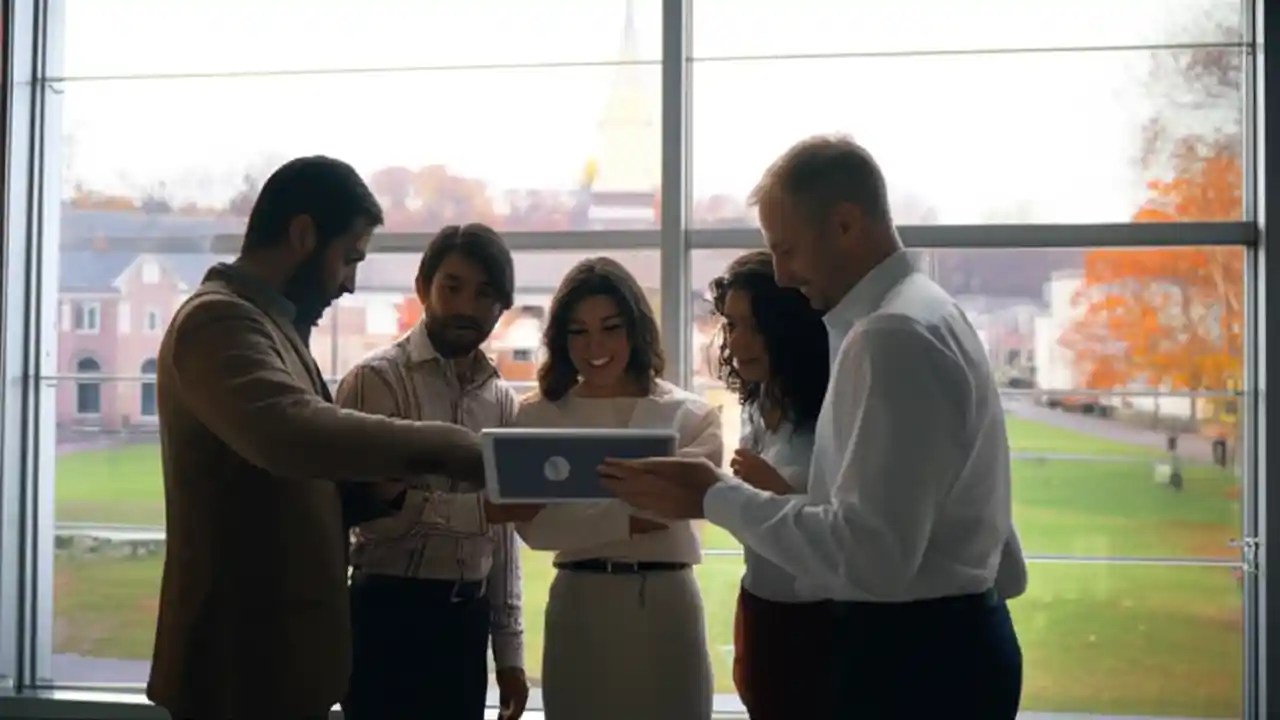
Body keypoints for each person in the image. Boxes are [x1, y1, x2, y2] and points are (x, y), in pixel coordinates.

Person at [601, 135, 1026, 718]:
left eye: (787, 249)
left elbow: (872, 555)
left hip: (914, 662)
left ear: (846, 225)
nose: (781, 274)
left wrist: (714, 495)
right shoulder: (929, 311)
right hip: (949, 642)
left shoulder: (890, 336)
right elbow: (1002, 551)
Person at [147, 156, 534, 720]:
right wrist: (460, 452)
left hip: (278, 660)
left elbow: (288, 483)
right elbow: (289, 433)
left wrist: (373, 496)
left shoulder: (273, 328)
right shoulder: (218, 321)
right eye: (349, 258)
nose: (350, 283)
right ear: (303, 235)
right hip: (235, 663)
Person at [336, 224, 533, 720]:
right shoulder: (374, 382)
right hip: (386, 617)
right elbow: (373, 514)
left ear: (501, 308)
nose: (467, 306)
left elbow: (504, 540)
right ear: (422, 287)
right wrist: (480, 510)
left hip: (466, 624)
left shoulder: (502, 402)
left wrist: (509, 655)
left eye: (485, 294)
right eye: (453, 287)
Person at [514, 257, 722, 720]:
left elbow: (676, 503)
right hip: (580, 606)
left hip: (666, 607)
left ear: (635, 329)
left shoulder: (691, 416)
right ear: (560, 338)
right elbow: (537, 529)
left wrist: (582, 510)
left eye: (610, 328)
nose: (595, 346)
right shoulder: (537, 417)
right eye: (579, 331)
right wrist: (629, 515)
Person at [709, 250, 836, 719]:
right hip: (761, 608)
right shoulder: (755, 406)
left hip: (826, 621)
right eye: (731, 325)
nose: (738, 342)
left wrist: (771, 490)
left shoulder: (832, 413)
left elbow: (854, 532)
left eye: (753, 326)